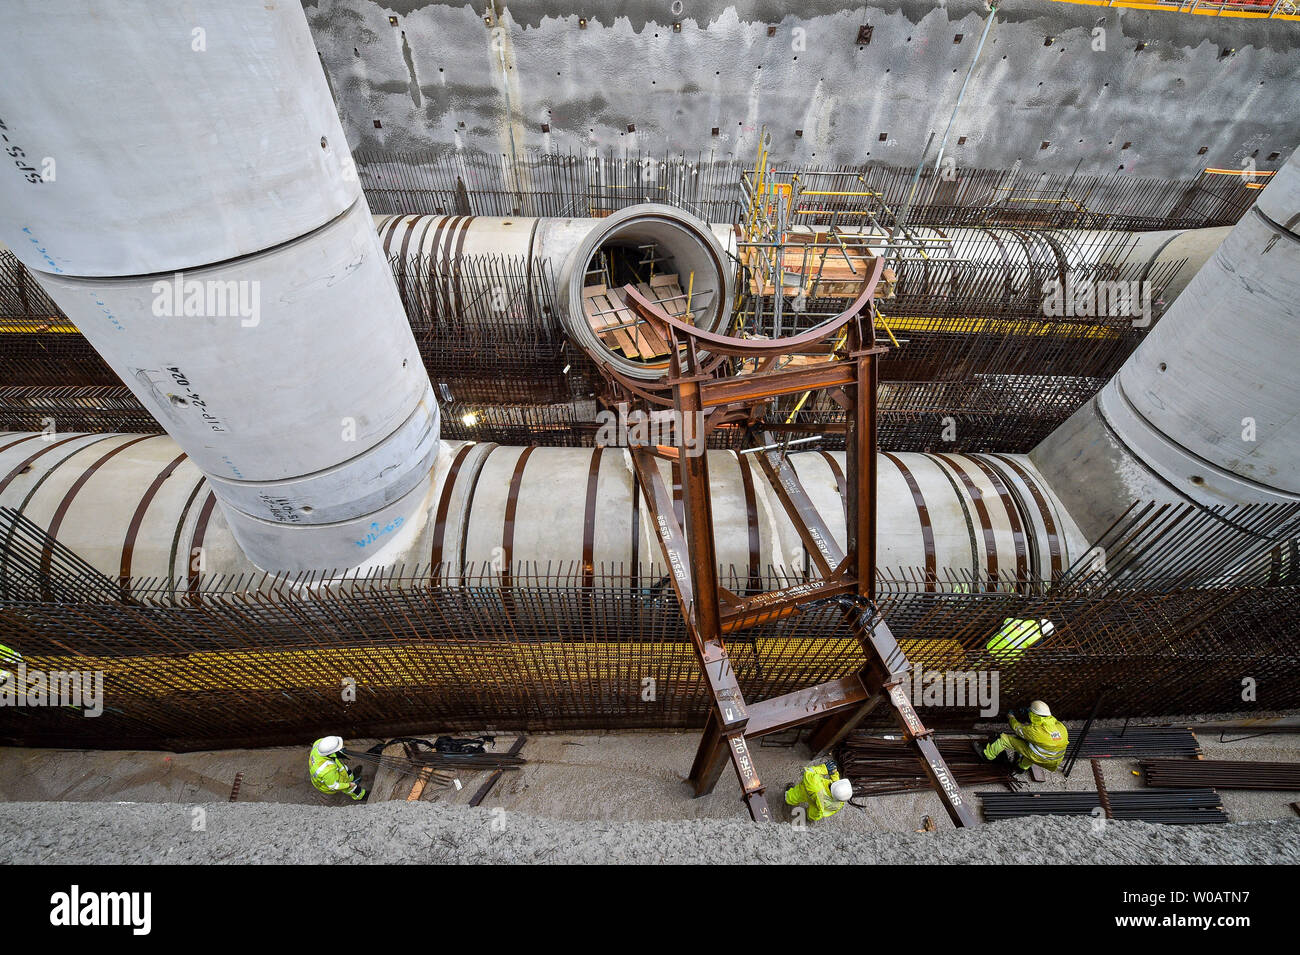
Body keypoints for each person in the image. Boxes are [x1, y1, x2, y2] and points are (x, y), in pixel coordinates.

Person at [981, 700, 1069, 773]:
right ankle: (1021, 768)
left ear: (1034, 715)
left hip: (1039, 757)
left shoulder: (1035, 731)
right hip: (1053, 761)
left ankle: (987, 755)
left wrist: (1011, 717)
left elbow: (1017, 729)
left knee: (1004, 739)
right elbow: (1044, 724)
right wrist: (1029, 712)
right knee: (1034, 748)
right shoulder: (1060, 726)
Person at [784, 759, 853, 822]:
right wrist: (834, 773)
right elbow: (836, 787)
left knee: (795, 795)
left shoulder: (815, 785)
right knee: (814, 814)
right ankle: (809, 817)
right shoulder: (840, 801)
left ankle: (788, 799)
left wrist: (824, 769)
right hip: (819, 806)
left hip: (806, 792)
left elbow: (808, 772)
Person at [308, 736, 367, 800]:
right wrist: (348, 785)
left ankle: (352, 777)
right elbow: (334, 786)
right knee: (351, 789)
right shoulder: (327, 771)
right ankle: (361, 795)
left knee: (345, 770)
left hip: (332, 768)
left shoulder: (319, 744)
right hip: (329, 782)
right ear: (330, 753)